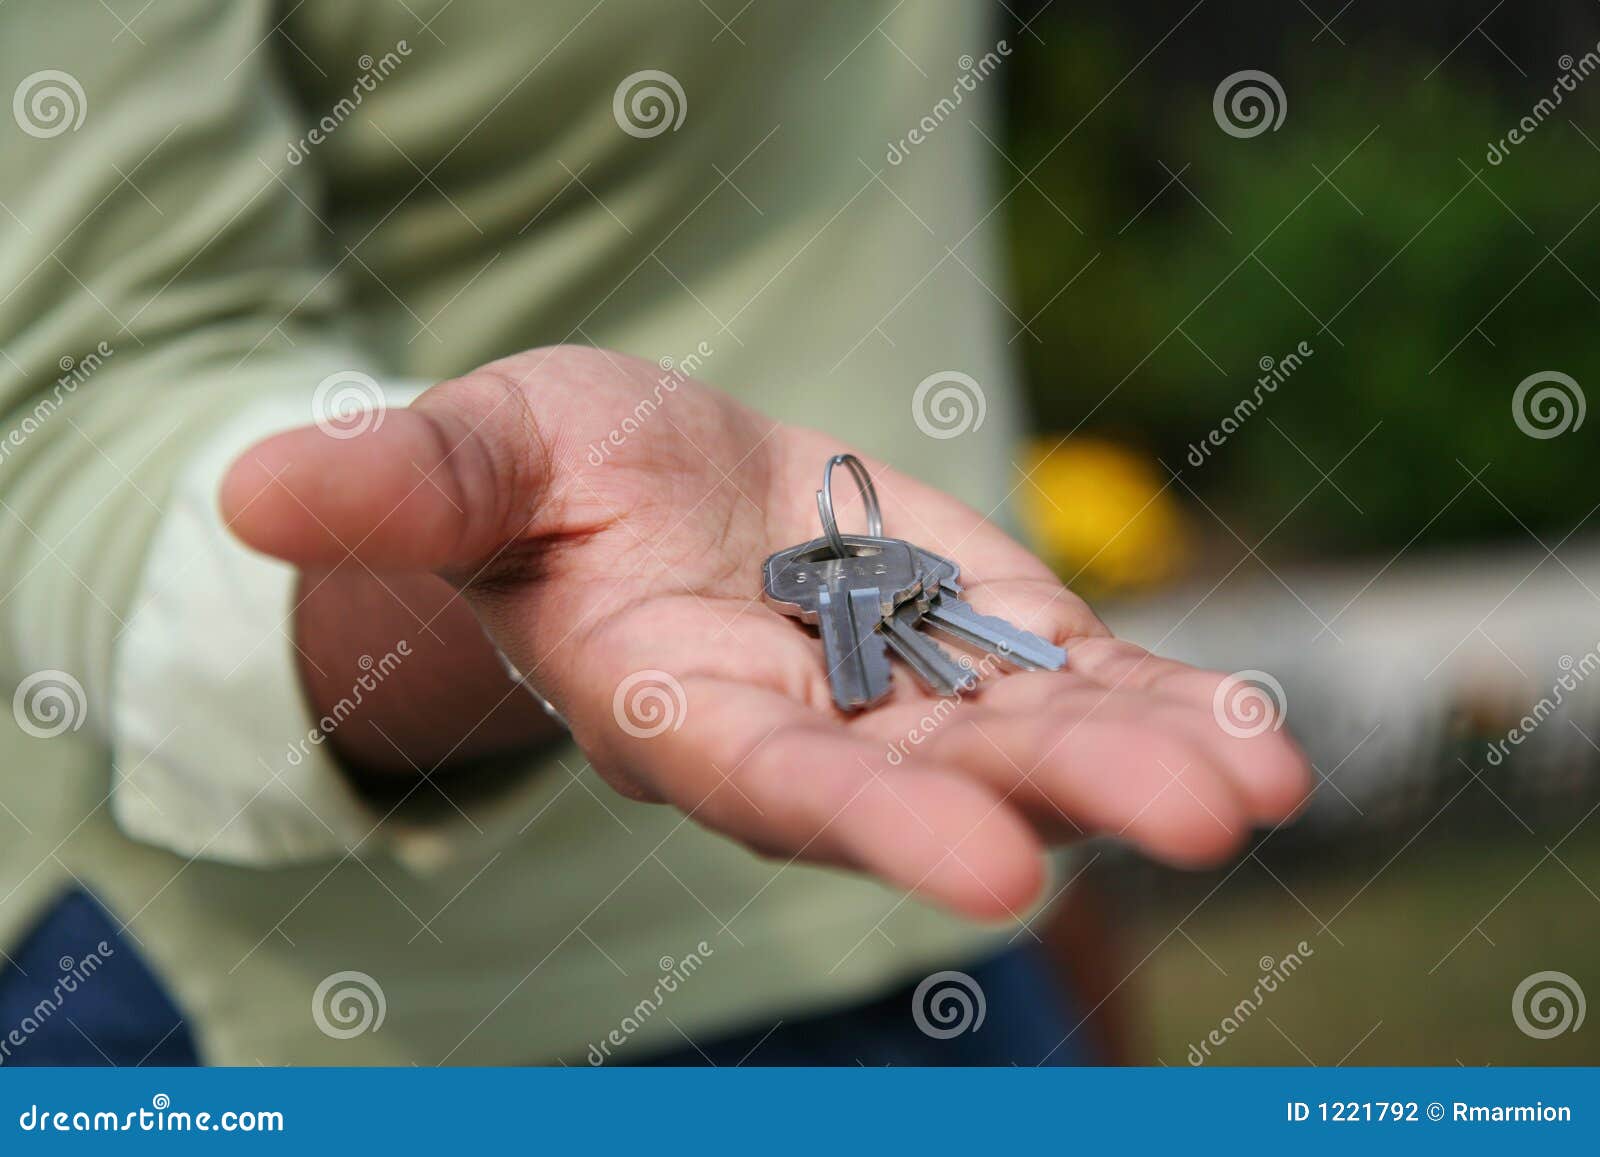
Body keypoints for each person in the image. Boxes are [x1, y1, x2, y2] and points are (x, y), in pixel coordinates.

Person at [0, 1, 1307, 1065]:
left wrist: (1048, 885)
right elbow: (73, 415)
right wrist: (525, 547)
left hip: (954, 915)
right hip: (346, 1017)